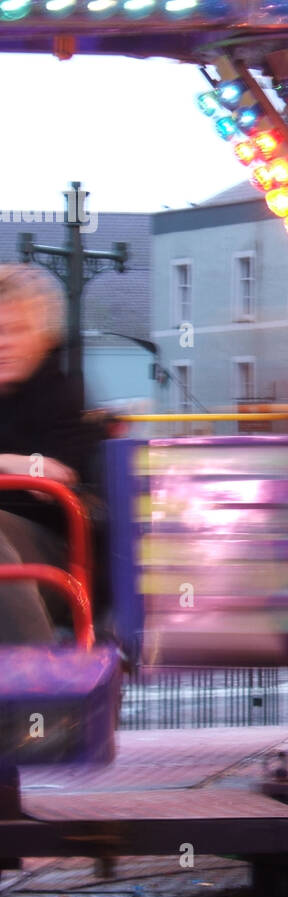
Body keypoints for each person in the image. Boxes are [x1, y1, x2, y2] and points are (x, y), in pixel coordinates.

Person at [0, 266, 103, 645]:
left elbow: (62, 479)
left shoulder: (61, 396)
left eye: (15, 330)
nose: (3, 343)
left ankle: (37, 690)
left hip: (51, 549)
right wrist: (12, 464)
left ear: (41, 338)